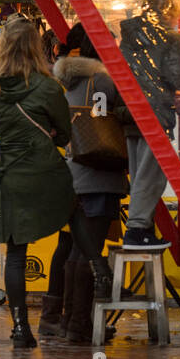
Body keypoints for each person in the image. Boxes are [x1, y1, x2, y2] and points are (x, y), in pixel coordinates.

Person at [0, 20, 85, 349]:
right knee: (75, 225)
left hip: (10, 177)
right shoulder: (48, 87)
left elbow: (1, 132)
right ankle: (80, 306)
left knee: (15, 255)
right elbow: (65, 132)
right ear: (35, 47)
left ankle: (20, 327)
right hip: (47, 175)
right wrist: (52, 133)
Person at [52, 23, 131, 342]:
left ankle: (71, 321)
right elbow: (120, 116)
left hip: (74, 174)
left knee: (75, 252)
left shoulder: (66, 79)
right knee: (90, 251)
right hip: (100, 174)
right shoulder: (104, 79)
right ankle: (79, 326)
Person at [119, 0, 180, 250]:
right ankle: (136, 230)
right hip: (155, 111)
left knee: (139, 174)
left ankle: (143, 231)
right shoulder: (170, 37)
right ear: (170, 10)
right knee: (151, 175)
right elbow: (175, 77)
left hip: (130, 111)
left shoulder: (130, 34)